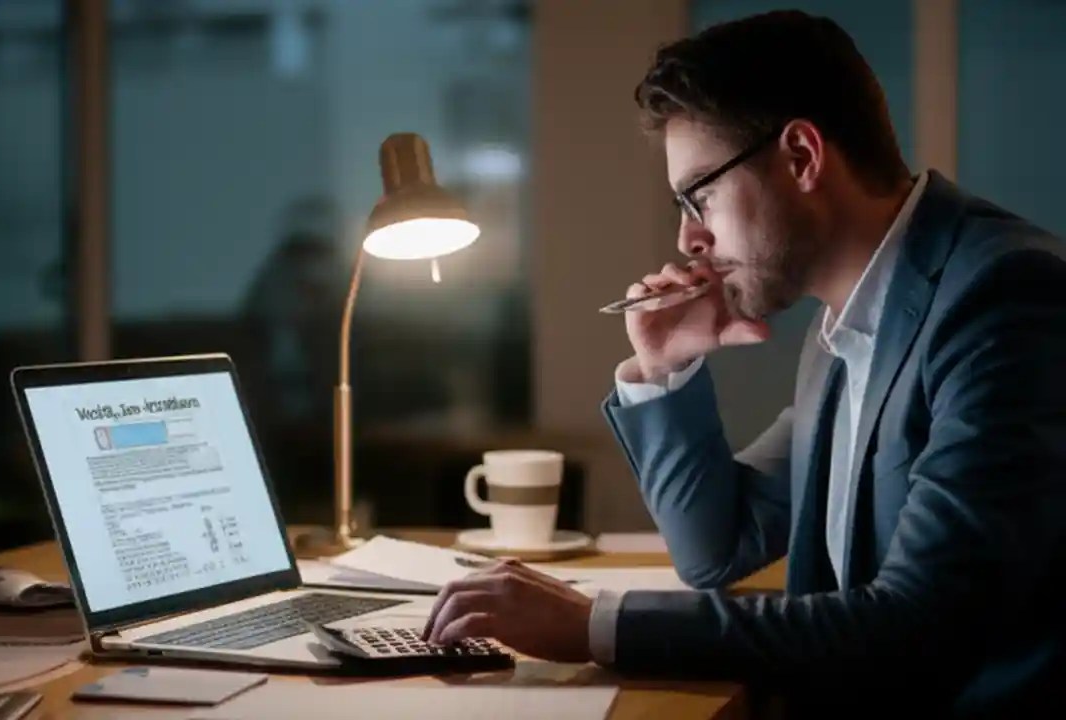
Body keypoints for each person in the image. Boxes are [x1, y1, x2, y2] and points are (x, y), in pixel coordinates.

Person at [422, 10, 1066, 716]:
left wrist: (594, 625)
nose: (689, 237)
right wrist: (664, 370)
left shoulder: (1002, 298)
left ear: (801, 156)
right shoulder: (850, 321)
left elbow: (916, 623)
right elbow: (716, 548)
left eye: (700, 194)